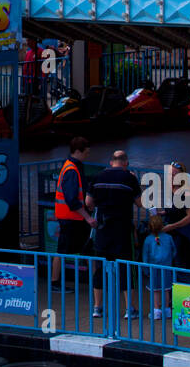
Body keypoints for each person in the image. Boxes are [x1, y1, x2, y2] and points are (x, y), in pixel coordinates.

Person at [87, 149, 143, 319]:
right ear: (125, 163)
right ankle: (129, 309)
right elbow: (140, 203)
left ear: (111, 162)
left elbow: (88, 203)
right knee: (126, 268)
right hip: (122, 231)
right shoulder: (130, 178)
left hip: (102, 231)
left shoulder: (97, 177)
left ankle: (97, 307)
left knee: (100, 268)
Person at [52, 136, 95, 284]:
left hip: (74, 217)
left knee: (85, 249)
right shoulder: (71, 170)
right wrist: (88, 217)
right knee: (64, 250)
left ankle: (95, 281)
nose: (87, 156)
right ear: (78, 151)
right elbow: (72, 200)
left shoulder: (73, 166)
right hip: (71, 218)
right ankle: (55, 281)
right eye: (86, 153)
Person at [162, 160, 190, 273]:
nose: (171, 176)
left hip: (184, 236)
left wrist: (172, 226)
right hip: (171, 233)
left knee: (181, 269)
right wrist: (162, 213)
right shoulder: (169, 190)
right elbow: (175, 210)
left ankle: (183, 288)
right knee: (170, 268)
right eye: (169, 173)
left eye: (174, 174)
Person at [142, 214, 177, 320]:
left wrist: (146, 270)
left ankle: (156, 310)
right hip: (166, 267)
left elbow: (145, 256)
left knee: (155, 290)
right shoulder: (169, 237)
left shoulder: (148, 240)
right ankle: (167, 310)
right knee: (166, 289)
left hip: (153, 268)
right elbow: (174, 251)